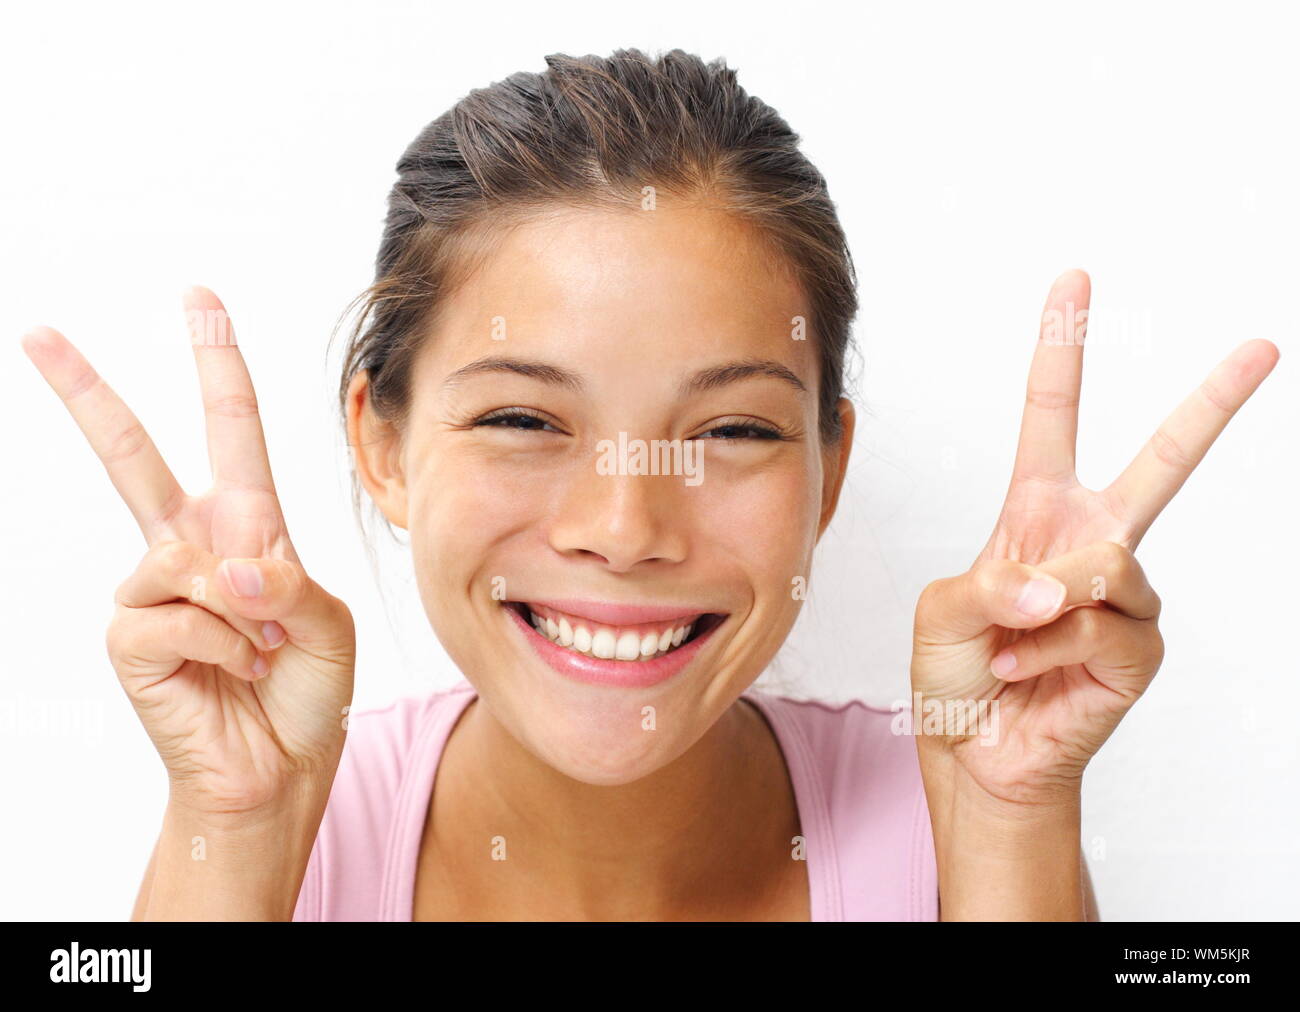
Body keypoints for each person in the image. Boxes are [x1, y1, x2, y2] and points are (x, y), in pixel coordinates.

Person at [21, 49, 1278, 920]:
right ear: (383, 443)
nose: (623, 529)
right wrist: (234, 832)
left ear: (827, 472)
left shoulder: (961, 802)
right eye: (522, 416)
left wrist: (1009, 826)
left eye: (730, 431)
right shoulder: (267, 816)